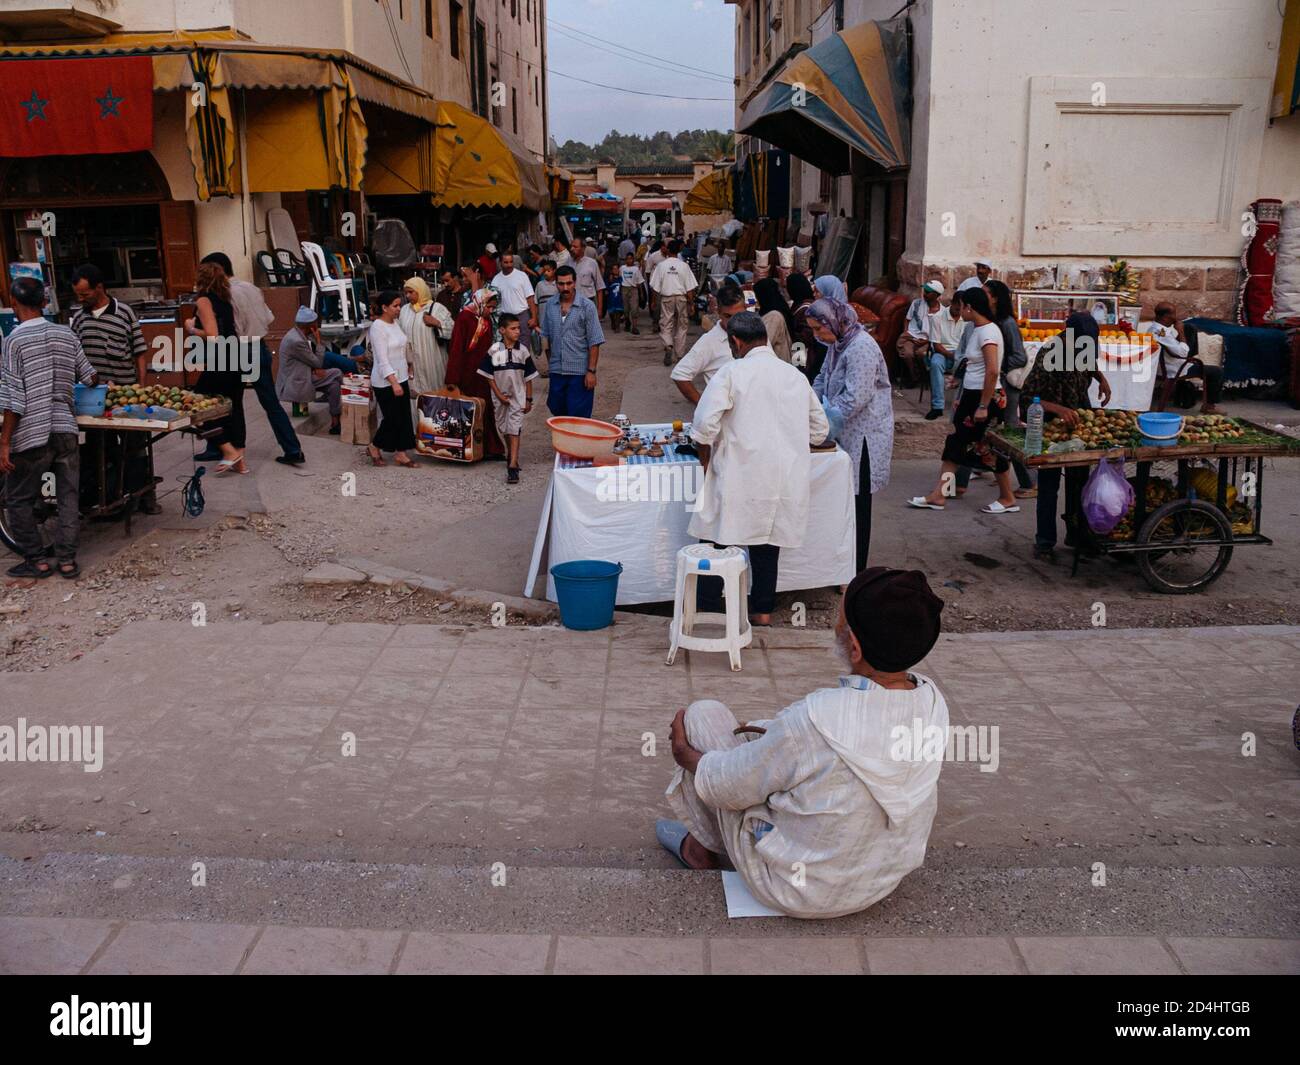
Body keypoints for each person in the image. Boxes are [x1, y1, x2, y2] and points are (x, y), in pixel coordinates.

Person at [657, 566, 949, 920]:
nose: (835, 627)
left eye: (838, 621)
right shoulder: (932, 702)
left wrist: (689, 758)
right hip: (878, 881)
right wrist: (773, 735)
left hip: (795, 889)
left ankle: (698, 850)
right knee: (773, 753)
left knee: (704, 717)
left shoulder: (812, 719)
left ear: (854, 648)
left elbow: (726, 788)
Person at [688, 312, 830, 626]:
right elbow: (820, 431)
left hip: (740, 475)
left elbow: (702, 427)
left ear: (736, 342)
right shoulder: (794, 376)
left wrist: (705, 457)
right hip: (782, 479)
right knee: (767, 543)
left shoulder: (731, 372)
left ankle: (711, 609)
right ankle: (762, 611)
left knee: (715, 539)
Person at [0, 276, 97, 579]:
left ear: (14, 304)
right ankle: (67, 561)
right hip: (65, 427)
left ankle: (37, 560)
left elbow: (14, 400)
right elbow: (90, 377)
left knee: (17, 498)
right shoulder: (65, 334)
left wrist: (4, 442)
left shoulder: (13, 341)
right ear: (44, 302)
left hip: (31, 431)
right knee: (68, 497)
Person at [907, 286, 1018, 514]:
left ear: (970, 307)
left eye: (961, 306)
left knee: (990, 449)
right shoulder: (976, 329)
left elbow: (992, 371)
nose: (958, 311)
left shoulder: (988, 332)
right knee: (955, 446)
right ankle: (939, 494)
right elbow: (975, 366)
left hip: (985, 397)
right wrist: (961, 388)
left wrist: (983, 405)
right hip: (972, 394)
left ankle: (1007, 497)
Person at [809, 298, 894, 569]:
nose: (816, 335)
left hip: (865, 435)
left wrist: (825, 424)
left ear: (834, 321)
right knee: (843, 500)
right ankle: (841, 563)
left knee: (859, 504)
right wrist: (809, 404)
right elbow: (823, 377)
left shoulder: (861, 347)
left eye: (818, 329)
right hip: (845, 432)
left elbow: (856, 397)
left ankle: (856, 569)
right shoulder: (838, 343)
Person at [1021, 312, 1113, 561]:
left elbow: (1089, 365)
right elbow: (1028, 398)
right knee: (1049, 486)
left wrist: (1101, 378)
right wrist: (1058, 409)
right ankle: (1044, 543)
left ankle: (1076, 534)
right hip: (1052, 429)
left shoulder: (1084, 346)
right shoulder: (1049, 354)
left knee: (1079, 483)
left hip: (1079, 424)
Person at [199, 252, 304, 467]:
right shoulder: (251, 288)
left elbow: (227, 328)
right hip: (260, 346)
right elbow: (268, 317)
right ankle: (292, 449)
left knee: (228, 400)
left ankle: (225, 448)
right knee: (270, 403)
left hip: (238, 349)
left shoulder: (223, 293)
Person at [69, 263, 159, 512]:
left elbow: (139, 353)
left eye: (85, 294)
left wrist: (142, 388)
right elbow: (74, 357)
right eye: (78, 294)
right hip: (94, 400)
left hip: (126, 395)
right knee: (100, 448)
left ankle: (145, 496)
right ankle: (108, 496)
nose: (81, 299)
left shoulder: (125, 313)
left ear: (99, 288)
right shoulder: (78, 318)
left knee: (137, 447)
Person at [185, 261, 249, 475]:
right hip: (237, 358)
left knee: (197, 406)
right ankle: (240, 461)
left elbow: (213, 336)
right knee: (234, 408)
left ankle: (228, 450)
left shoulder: (203, 301)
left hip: (221, 360)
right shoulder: (225, 300)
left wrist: (192, 329)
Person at [985, 278, 1036, 499]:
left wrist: (997, 368)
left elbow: (1018, 356)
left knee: (1010, 431)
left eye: (986, 293)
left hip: (1007, 386)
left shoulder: (1007, 323)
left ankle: (1030, 481)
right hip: (997, 384)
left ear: (995, 298)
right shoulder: (992, 320)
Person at [446, 287, 506, 459]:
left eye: (494, 308)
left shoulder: (484, 321)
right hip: (467, 375)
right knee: (468, 411)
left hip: (482, 374)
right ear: (481, 302)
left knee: (484, 410)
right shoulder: (464, 318)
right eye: (490, 307)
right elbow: (456, 349)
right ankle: (467, 448)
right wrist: (452, 378)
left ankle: (489, 448)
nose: (491, 310)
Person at [477, 313, 537, 484]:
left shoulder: (522, 350)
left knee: (515, 428)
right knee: (503, 427)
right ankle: (511, 452)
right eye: (513, 328)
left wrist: (529, 399)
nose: (517, 331)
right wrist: (498, 394)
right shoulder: (495, 350)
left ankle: (512, 466)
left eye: (518, 328)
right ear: (502, 330)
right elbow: (489, 375)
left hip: (517, 396)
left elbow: (529, 377)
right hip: (499, 397)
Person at [540, 265, 604, 419]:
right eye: (561, 284)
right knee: (557, 409)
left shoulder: (587, 306)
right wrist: (551, 365)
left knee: (578, 414)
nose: (565, 287)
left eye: (569, 283)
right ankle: (563, 443)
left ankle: (578, 443)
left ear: (575, 283)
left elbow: (594, 341)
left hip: (579, 372)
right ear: (556, 284)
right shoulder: (550, 305)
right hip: (557, 370)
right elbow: (546, 337)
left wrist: (591, 372)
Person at [365, 289, 418, 468]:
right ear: (384, 307)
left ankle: (401, 453)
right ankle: (374, 445)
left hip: (401, 376)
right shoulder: (377, 327)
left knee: (404, 416)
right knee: (392, 417)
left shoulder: (395, 324)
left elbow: (402, 346)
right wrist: (393, 382)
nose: (398, 309)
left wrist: (408, 367)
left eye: (399, 305)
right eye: (395, 306)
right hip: (385, 381)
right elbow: (382, 359)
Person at [671, 284, 745, 405]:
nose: (734, 321)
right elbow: (680, 374)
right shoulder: (709, 341)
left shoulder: (755, 333)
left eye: (738, 315)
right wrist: (703, 406)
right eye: (728, 316)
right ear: (718, 312)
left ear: (745, 308)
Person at [1143, 302, 1224, 413]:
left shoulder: (1152, 329)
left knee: (1190, 329)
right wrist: (1180, 331)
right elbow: (1183, 353)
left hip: (1164, 365)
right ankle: (1210, 407)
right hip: (1174, 369)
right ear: (1167, 317)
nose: (1176, 317)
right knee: (1216, 371)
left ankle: (1191, 359)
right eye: (1174, 314)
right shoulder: (1162, 333)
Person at [276, 306, 342, 434]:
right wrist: (318, 342)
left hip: (304, 373)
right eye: (316, 322)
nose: (318, 325)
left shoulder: (297, 334)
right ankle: (350, 397)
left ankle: (335, 421)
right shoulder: (296, 341)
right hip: (296, 380)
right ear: (310, 326)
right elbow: (317, 361)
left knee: (334, 386)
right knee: (337, 373)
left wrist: (315, 368)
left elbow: (310, 361)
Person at [400, 276, 454, 395]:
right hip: (412, 363)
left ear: (420, 290)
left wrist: (437, 323)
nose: (408, 296)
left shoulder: (437, 309)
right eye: (406, 293)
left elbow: (452, 330)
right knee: (414, 396)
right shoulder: (404, 310)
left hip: (431, 360)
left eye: (411, 292)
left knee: (434, 393)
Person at [650, 240, 698, 366]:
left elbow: (655, 287)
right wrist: (691, 304)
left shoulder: (661, 266)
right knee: (682, 325)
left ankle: (668, 345)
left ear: (668, 250)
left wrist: (653, 301)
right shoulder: (684, 266)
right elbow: (690, 289)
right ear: (678, 251)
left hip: (667, 298)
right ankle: (680, 354)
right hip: (681, 298)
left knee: (666, 324)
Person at [924, 289, 965, 420]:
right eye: (957, 308)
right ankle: (937, 407)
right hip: (943, 352)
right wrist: (951, 355)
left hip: (960, 354)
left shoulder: (967, 319)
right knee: (935, 363)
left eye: (962, 309)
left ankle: (963, 405)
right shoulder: (937, 317)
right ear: (951, 303)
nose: (959, 312)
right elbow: (936, 345)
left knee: (972, 366)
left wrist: (960, 356)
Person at [490, 251, 538, 353]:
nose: (509, 265)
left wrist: (534, 318)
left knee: (524, 349)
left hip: (522, 317)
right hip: (506, 319)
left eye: (511, 262)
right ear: (500, 263)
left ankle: (524, 368)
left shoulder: (522, 276)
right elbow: (494, 302)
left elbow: (530, 297)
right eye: (506, 262)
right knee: (508, 350)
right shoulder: (496, 280)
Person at [898, 280, 943, 382]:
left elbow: (940, 333)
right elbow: (907, 319)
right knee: (908, 353)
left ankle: (924, 377)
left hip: (928, 340)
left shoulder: (942, 312)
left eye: (928, 292)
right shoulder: (916, 303)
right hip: (911, 336)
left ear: (936, 295)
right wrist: (906, 332)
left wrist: (927, 341)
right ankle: (914, 377)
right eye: (924, 291)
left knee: (921, 354)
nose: (924, 293)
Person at [786, 272, 822, 381]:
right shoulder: (800, 303)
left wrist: (798, 365)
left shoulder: (806, 308)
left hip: (802, 352)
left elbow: (804, 338)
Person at [752, 277, 795, 361]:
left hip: (776, 362)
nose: (757, 300)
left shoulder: (774, 317)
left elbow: (763, 344)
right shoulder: (779, 307)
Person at [569, 237, 605, 318]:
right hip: (571, 304)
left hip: (588, 302)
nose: (572, 249)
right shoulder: (568, 263)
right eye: (571, 246)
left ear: (583, 248)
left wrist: (599, 309)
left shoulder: (592, 263)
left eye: (575, 247)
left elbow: (600, 287)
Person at [618, 253, 645, 334]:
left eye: (631, 258)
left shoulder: (636, 269)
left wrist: (641, 293)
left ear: (633, 259)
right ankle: (627, 322)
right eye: (627, 259)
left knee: (634, 309)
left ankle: (634, 327)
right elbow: (619, 278)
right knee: (625, 309)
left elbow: (639, 282)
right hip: (624, 289)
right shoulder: (622, 268)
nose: (629, 260)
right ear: (625, 260)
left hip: (633, 289)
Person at [604, 260, 625, 333]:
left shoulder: (621, 279)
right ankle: (613, 323)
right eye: (614, 269)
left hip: (619, 300)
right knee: (612, 314)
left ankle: (617, 327)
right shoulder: (610, 280)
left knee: (618, 313)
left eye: (617, 269)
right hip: (611, 300)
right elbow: (606, 288)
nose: (615, 270)